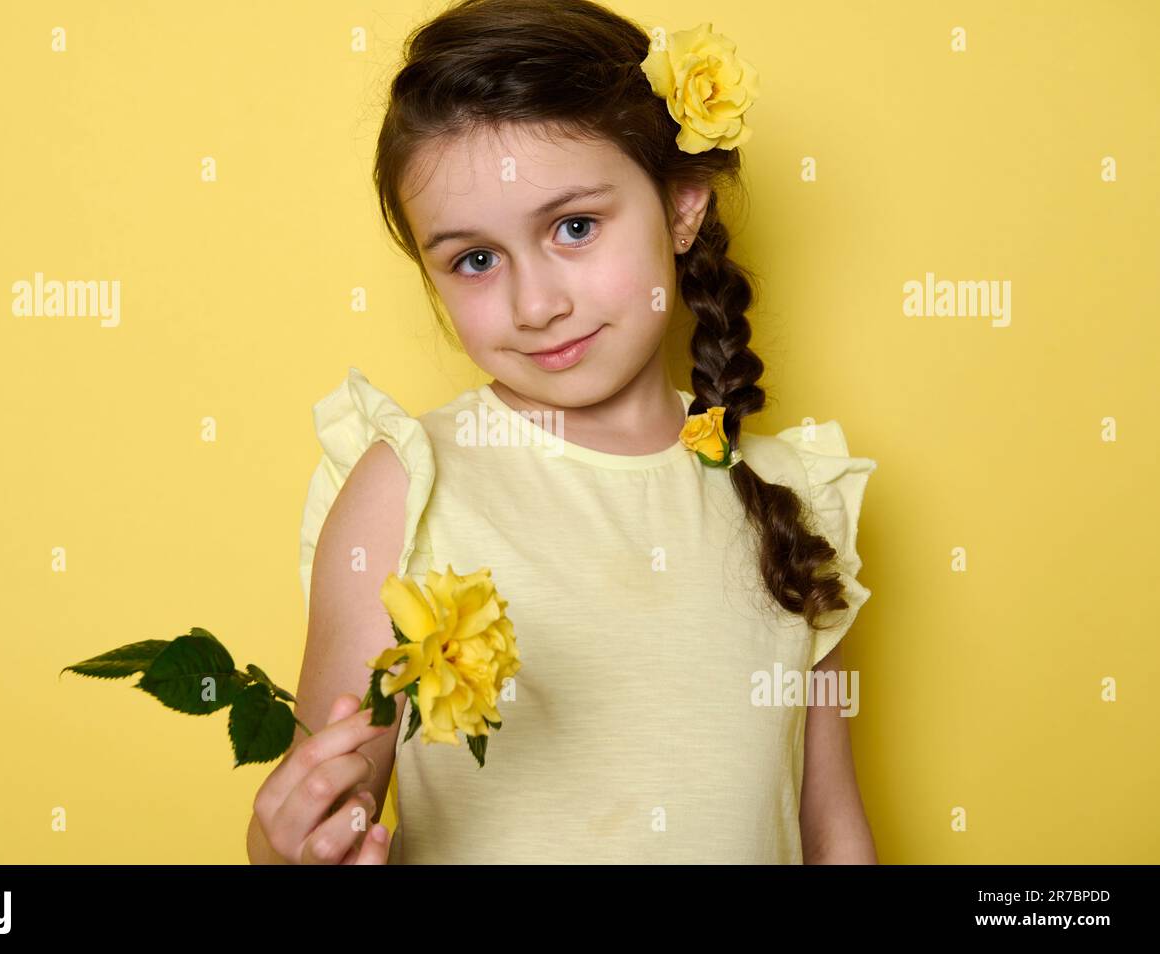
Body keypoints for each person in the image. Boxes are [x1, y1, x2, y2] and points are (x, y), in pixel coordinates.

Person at [249, 0, 878, 864]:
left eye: (574, 227)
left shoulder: (796, 502)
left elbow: (832, 829)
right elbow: (323, 800)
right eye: (475, 259)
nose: (536, 304)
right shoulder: (408, 487)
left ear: (682, 207)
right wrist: (286, 845)